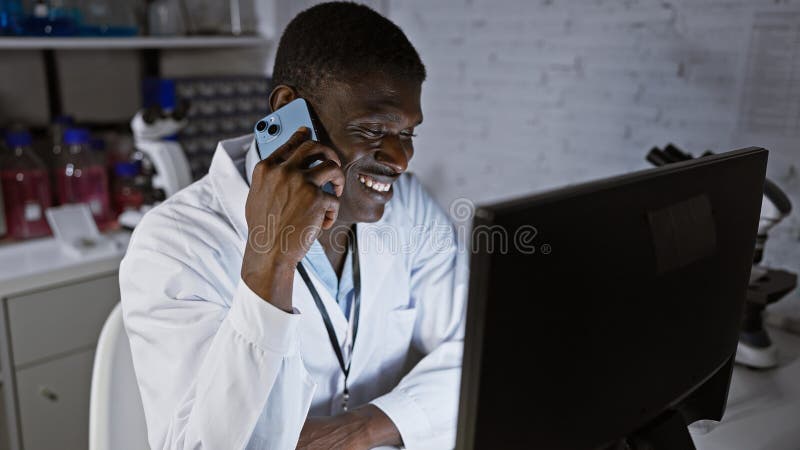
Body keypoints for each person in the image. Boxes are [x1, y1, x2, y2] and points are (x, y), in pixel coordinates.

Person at [120, 3, 465, 449]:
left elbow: (476, 349)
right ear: (289, 113)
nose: (400, 160)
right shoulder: (174, 243)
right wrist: (272, 261)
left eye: (408, 134)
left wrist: (360, 429)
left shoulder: (408, 207)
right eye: (374, 129)